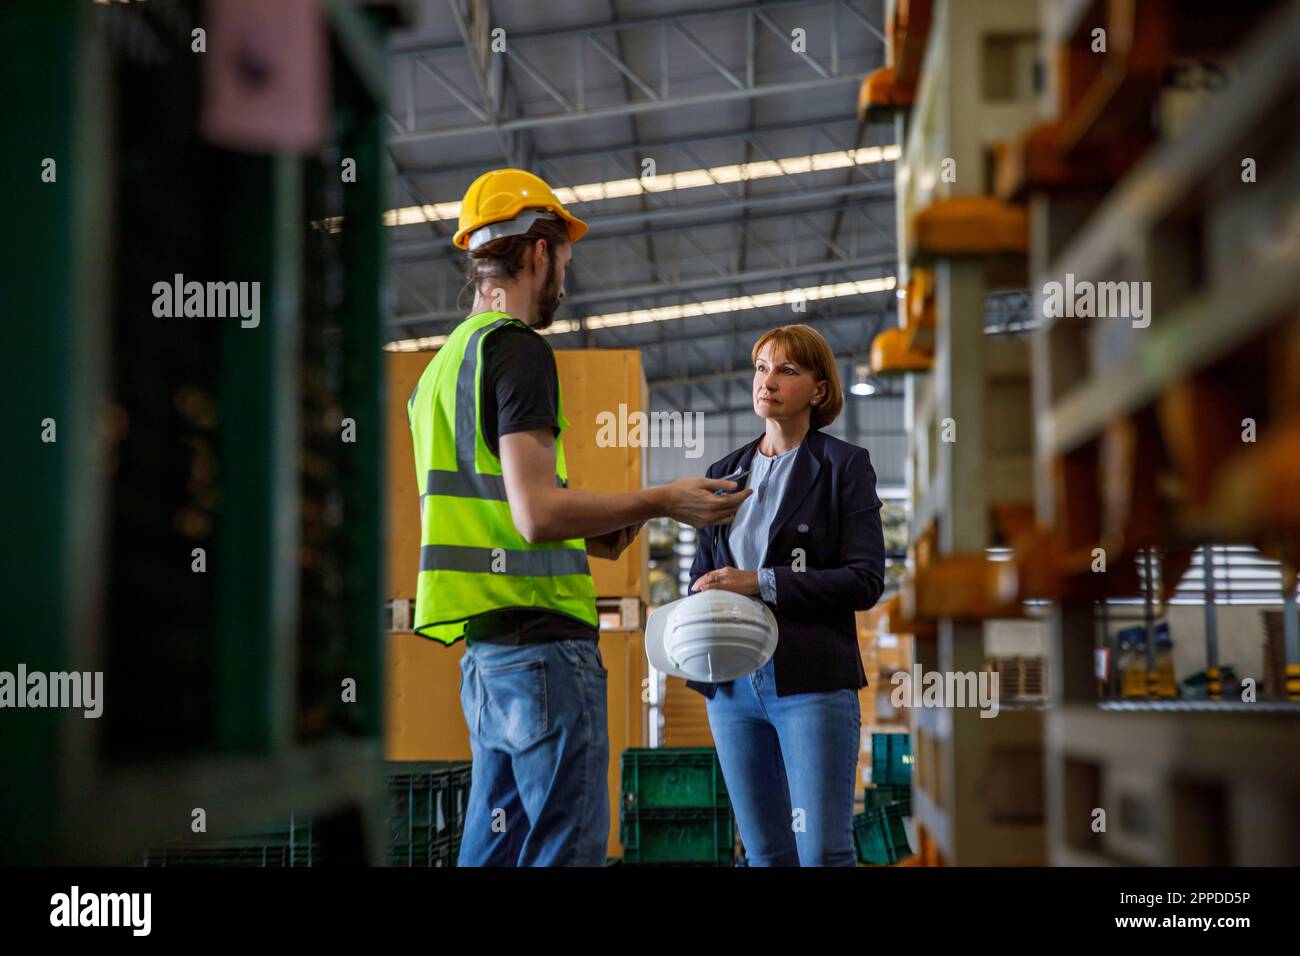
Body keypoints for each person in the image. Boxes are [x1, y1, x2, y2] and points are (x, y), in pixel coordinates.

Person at [407, 168, 750, 867]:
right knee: (566, 851)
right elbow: (536, 515)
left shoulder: (441, 369)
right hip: (545, 658)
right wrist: (659, 498)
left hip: (488, 658)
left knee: (493, 852)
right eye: (565, 257)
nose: (565, 275)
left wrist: (603, 527)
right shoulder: (519, 350)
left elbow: (500, 513)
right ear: (538, 252)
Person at [688, 323, 886, 866]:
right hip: (730, 686)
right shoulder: (722, 474)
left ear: (818, 391)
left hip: (810, 681)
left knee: (821, 851)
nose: (766, 380)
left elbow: (866, 580)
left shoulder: (844, 467)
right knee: (766, 854)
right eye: (760, 368)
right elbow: (702, 574)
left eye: (786, 370)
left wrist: (761, 581)